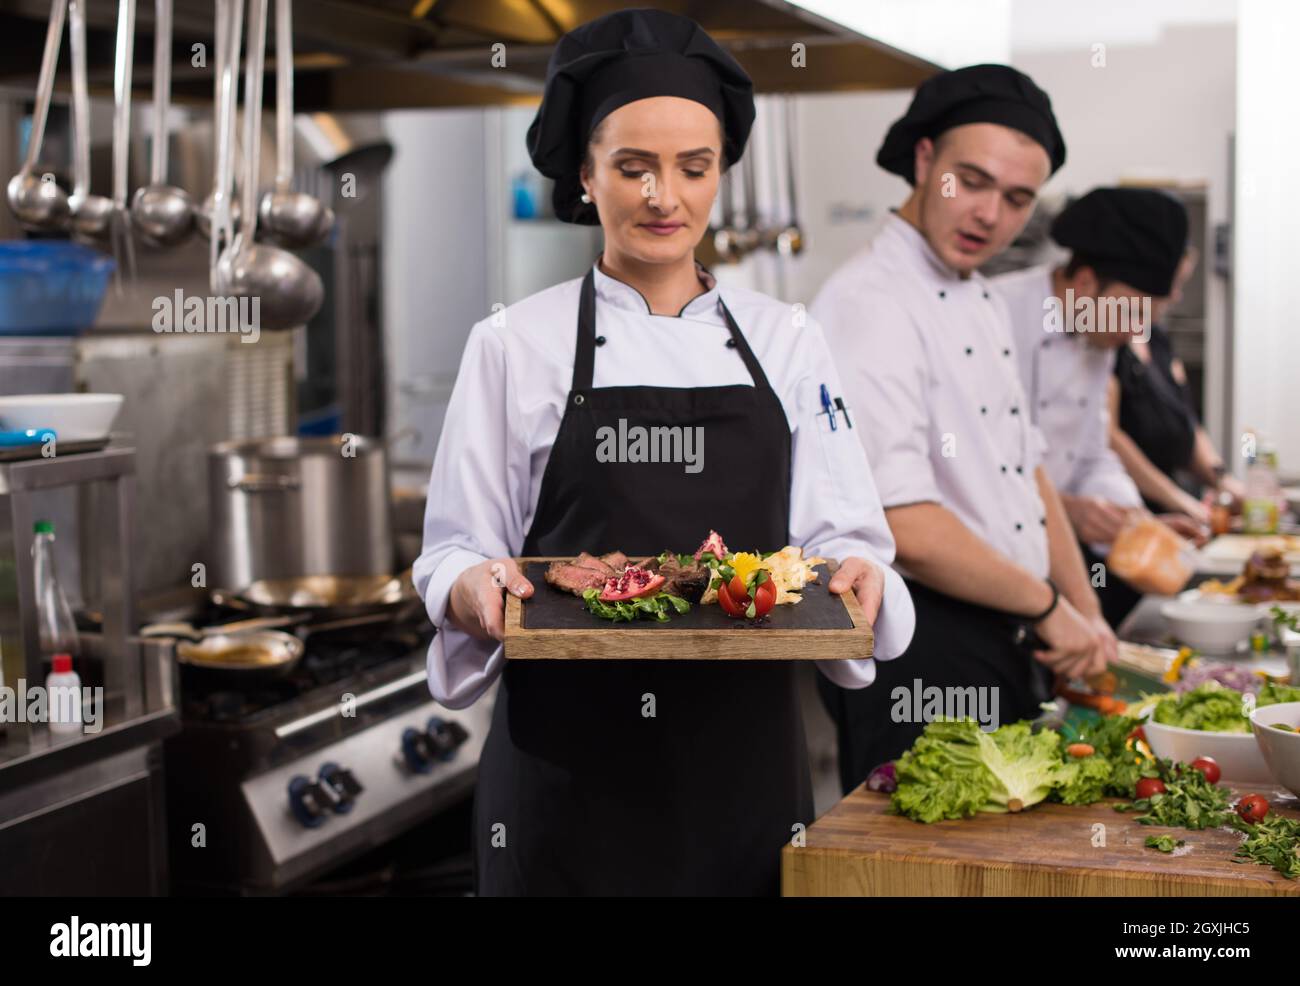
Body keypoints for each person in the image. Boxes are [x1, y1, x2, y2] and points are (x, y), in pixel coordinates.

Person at [413, 8, 914, 896]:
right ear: (585, 172)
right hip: (566, 771)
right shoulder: (513, 343)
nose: (663, 198)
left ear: (720, 173)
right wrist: (469, 587)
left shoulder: (786, 339)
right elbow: (456, 548)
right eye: (632, 167)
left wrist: (861, 578)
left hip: (744, 766)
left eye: (693, 168)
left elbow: (846, 537)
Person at [811, 64, 1113, 795]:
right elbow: (905, 522)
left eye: (1016, 198)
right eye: (969, 182)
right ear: (924, 160)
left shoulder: (976, 294)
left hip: (1004, 629)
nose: (990, 215)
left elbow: (1026, 469)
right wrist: (1050, 608)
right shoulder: (868, 303)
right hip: (920, 646)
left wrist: (1087, 611)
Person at [994, 187, 1206, 626]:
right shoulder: (995, 314)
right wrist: (1068, 509)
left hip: (1062, 564)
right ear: (1086, 282)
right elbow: (976, 467)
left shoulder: (1098, 334)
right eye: (1130, 313)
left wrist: (1137, 523)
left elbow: (1093, 456)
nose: (1135, 333)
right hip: (993, 565)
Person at [1109, 245, 1244, 519]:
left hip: (1170, 504)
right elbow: (1109, 436)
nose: (1176, 295)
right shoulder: (1109, 340)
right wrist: (1177, 499)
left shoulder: (1156, 338)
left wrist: (1222, 480)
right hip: (1127, 505)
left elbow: (1186, 421)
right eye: (1172, 283)